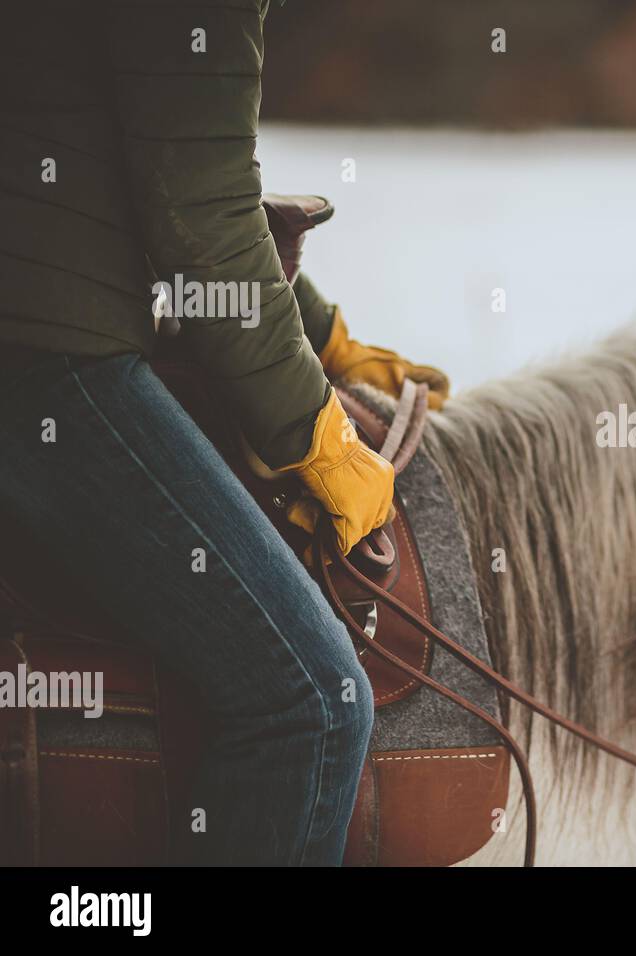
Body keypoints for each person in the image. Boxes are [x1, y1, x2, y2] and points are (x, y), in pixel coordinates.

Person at [0, 1, 447, 864]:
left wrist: (320, 336)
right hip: (43, 359)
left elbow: (169, 175)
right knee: (312, 707)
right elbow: (197, 214)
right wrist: (311, 430)